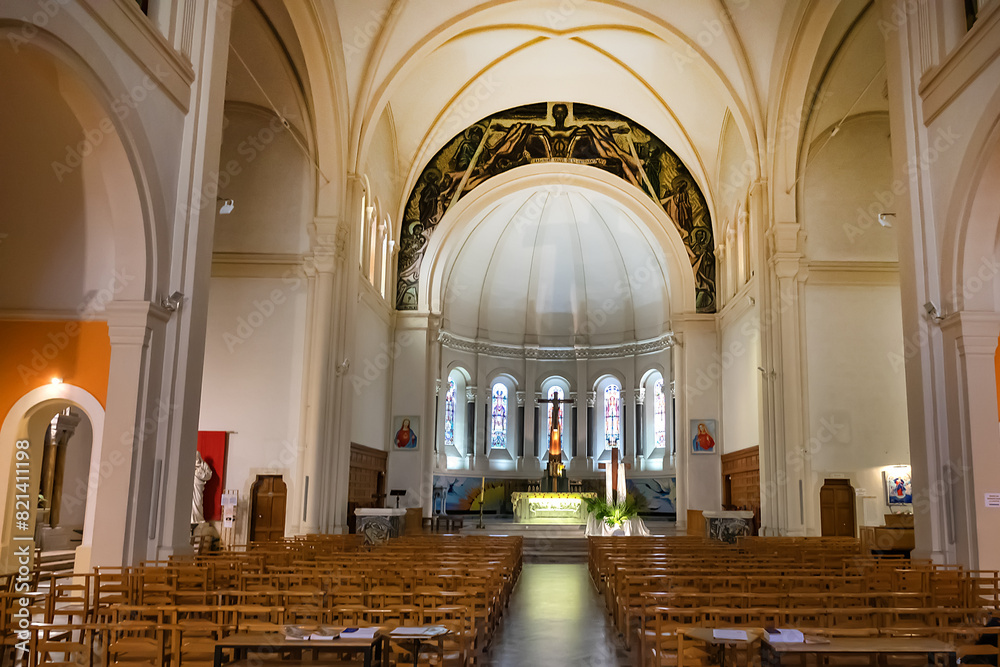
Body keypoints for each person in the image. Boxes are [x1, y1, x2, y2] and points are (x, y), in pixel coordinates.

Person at [191, 451, 213, 524]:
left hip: (199, 485)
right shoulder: (190, 464)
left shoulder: (203, 465)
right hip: (191, 485)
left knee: (198, 502)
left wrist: (199, 474)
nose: (196, 459)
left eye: (197, 457)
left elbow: (209, 475)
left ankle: (199, 518)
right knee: (191, 502)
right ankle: (192, 519)